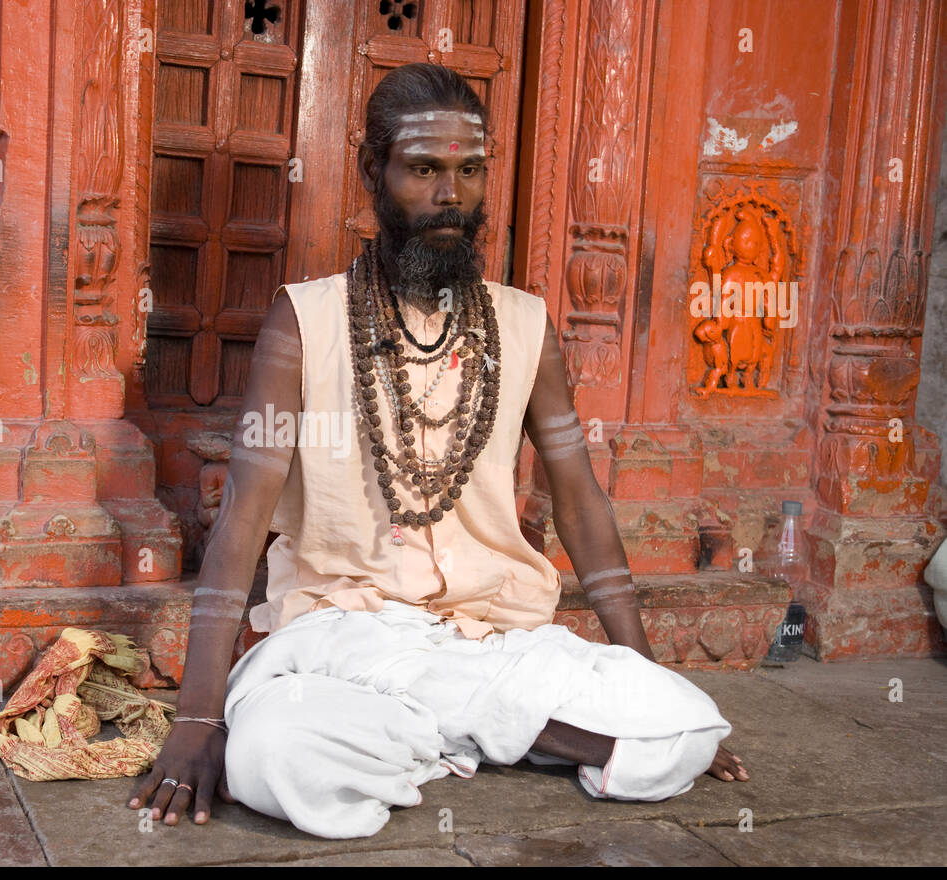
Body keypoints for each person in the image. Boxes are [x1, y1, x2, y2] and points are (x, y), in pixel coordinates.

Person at [129, 63, 748, 839]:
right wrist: (196, 716)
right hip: (343, 636)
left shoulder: (525, 326)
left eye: (469, 171)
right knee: (272, 757)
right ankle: (515, 734)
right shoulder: (304, 322)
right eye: (424, 170)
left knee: (690, 721)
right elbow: (241, 527)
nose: (451, 195)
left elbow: (581, 504)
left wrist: (645, 674)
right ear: (374, 173)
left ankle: (444, 730)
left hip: (493, 639)